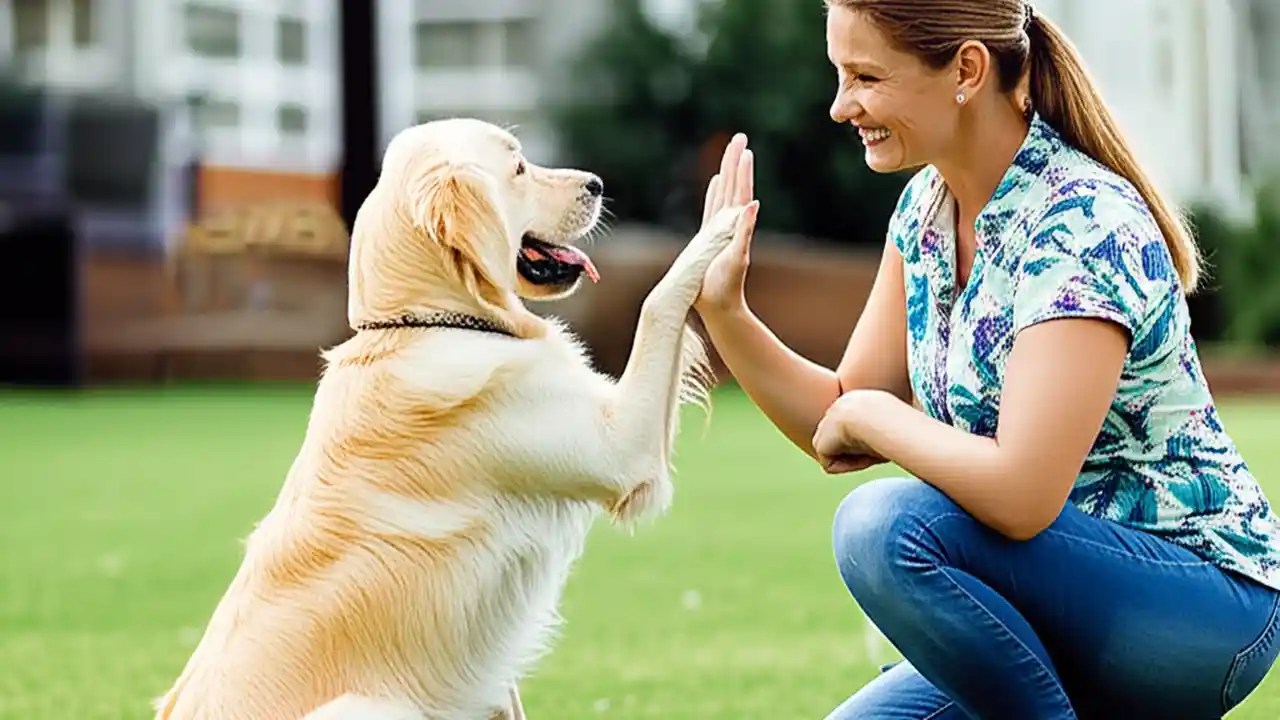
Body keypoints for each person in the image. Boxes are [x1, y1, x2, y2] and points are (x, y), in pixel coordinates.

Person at [693, 1, 1280, 718]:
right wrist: (726, 312)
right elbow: (836, 420)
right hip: (1052, 601)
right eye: (839, 76)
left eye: (865, 77)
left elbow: (1021, 494)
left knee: (885, 528)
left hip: (1199, 603)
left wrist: (874, 416)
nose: (841, 106)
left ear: (966, 70)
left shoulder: (1081, 223)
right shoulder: (923, 211)